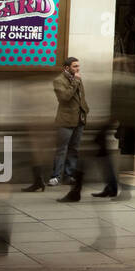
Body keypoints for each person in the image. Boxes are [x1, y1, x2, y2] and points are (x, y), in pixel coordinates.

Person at [50, 57, 89, 191]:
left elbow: (81, 97)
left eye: (78, 66)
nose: (78, 69)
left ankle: (69, 176)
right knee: (61, 149)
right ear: (67, 68)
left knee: (74, 149)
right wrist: (76, 81)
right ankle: (55, 177)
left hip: (79, 119)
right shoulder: (58, 80)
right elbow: (65, 97)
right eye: (75, 66)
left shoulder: (78, 79)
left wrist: (85, 110)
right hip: (65, 120)